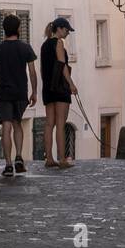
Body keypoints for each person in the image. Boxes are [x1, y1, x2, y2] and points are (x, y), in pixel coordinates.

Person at [0, 15, 38, 178]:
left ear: (3, 30)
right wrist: (34, 92)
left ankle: (8, 164)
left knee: (6, 127)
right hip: (20, 92)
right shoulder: (26, 48)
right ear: (18, 29)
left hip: (3, 93)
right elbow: (32, 72)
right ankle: (18, 157)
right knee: (17, 125)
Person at [40, 18, 77, 169]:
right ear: (60, 29)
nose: (68, 33)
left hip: (48, 88)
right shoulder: (58, 43)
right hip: (60, 88)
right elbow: (62, 65)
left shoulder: (44, 45)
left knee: (49, 123)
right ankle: (62, 159)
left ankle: (49, 158)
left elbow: (43, 69)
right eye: (67, 30)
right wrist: (71, 84)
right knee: (61, 123)